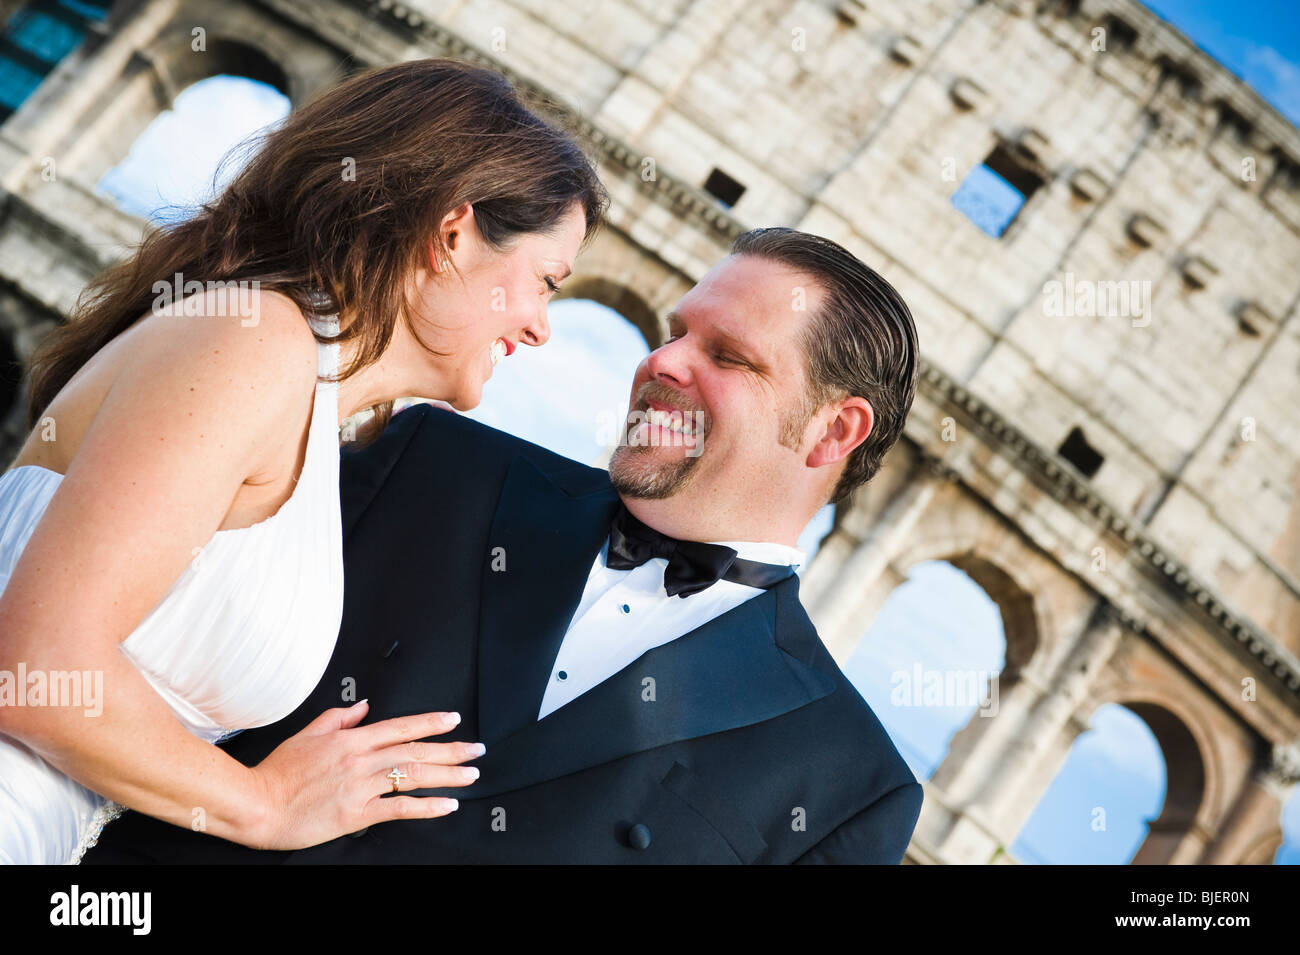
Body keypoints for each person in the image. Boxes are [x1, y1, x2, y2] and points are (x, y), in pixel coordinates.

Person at [84, 226, 924, 865]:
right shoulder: (433, 461)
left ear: (832, 430)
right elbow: (120, 636)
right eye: (673, 332)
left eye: (726, 355)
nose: (662, 362)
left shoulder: (849, 781)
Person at [0, 58, 607, 864]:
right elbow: (34, 666)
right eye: (544, 281)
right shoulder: (255, 345)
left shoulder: (310, 401)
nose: (539, 328)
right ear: (453, 234)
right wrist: (263, 802)